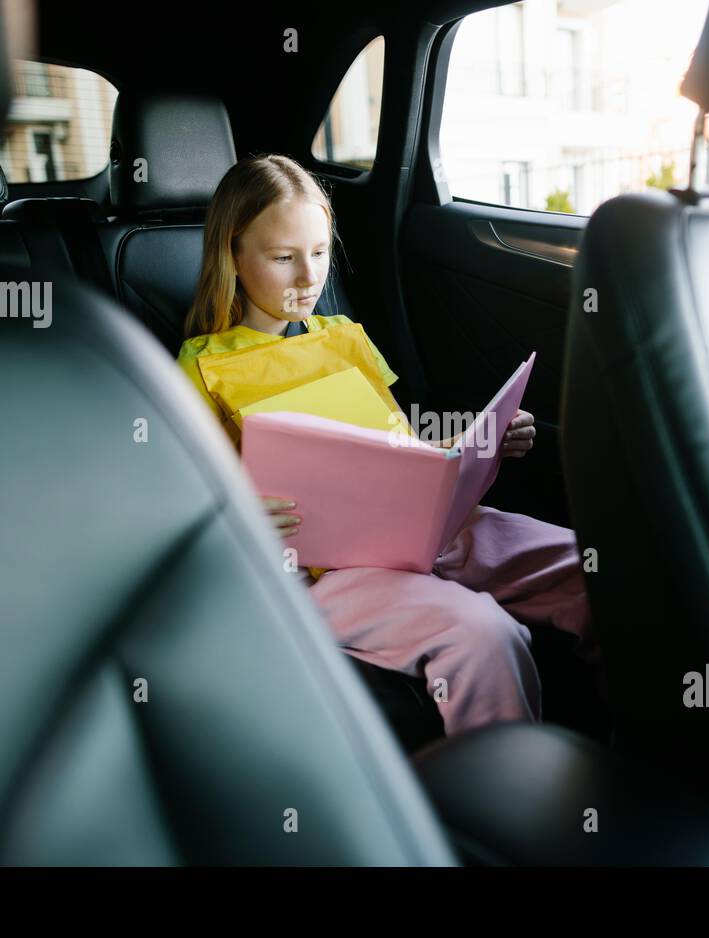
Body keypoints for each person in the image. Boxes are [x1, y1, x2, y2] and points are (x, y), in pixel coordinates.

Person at [178, 154, 594, 736]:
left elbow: (397, 447)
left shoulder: (344, 336)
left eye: (319, 253)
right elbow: (186, 501)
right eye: (282, 258)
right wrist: (235, 514)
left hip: (431, 532)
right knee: (483, 634)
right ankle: (500, 799)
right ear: (232, 254)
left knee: (597, 566)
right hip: (329, 570)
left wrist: (476, 441)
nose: (307, 277)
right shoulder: (205, 366)